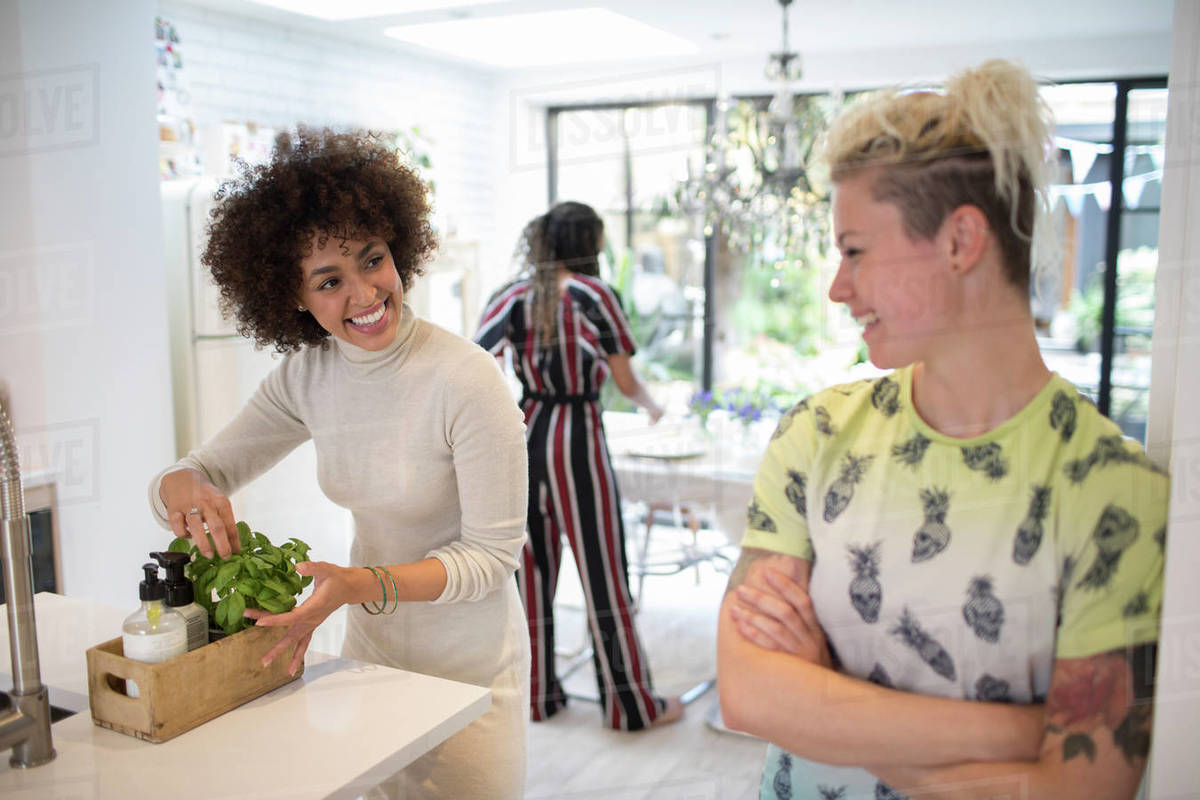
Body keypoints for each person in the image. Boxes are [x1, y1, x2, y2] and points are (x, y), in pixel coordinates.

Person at [717, 59, 1168, 799]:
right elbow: (751, 695)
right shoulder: (818, 433)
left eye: (855, 250)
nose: (837, 288)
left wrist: (825, 695)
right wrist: (1028, 731)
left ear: (961, 242)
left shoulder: (1117, 495)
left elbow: (1078, 790)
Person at [148, 128, 530, 799]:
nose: (364, 294)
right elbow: (201, 471)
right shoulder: (308, 377)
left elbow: (492, 560)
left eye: (372, 261)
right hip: (373, 659)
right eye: (329, 280)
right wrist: (177, 485)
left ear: (398, 250)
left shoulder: (467, 381)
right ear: (292, 296)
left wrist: (358, 583)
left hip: (470, 672)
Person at [473, 201, 684, 730]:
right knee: (603, 569)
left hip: (524, 434)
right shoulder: (596, 296)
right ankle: (630, 704)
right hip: (579, 438)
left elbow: (476, 362)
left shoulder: (512, 295)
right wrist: (654, 407)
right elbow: (626, 380)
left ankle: (537, 696)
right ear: (590, 243)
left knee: (530, 572)